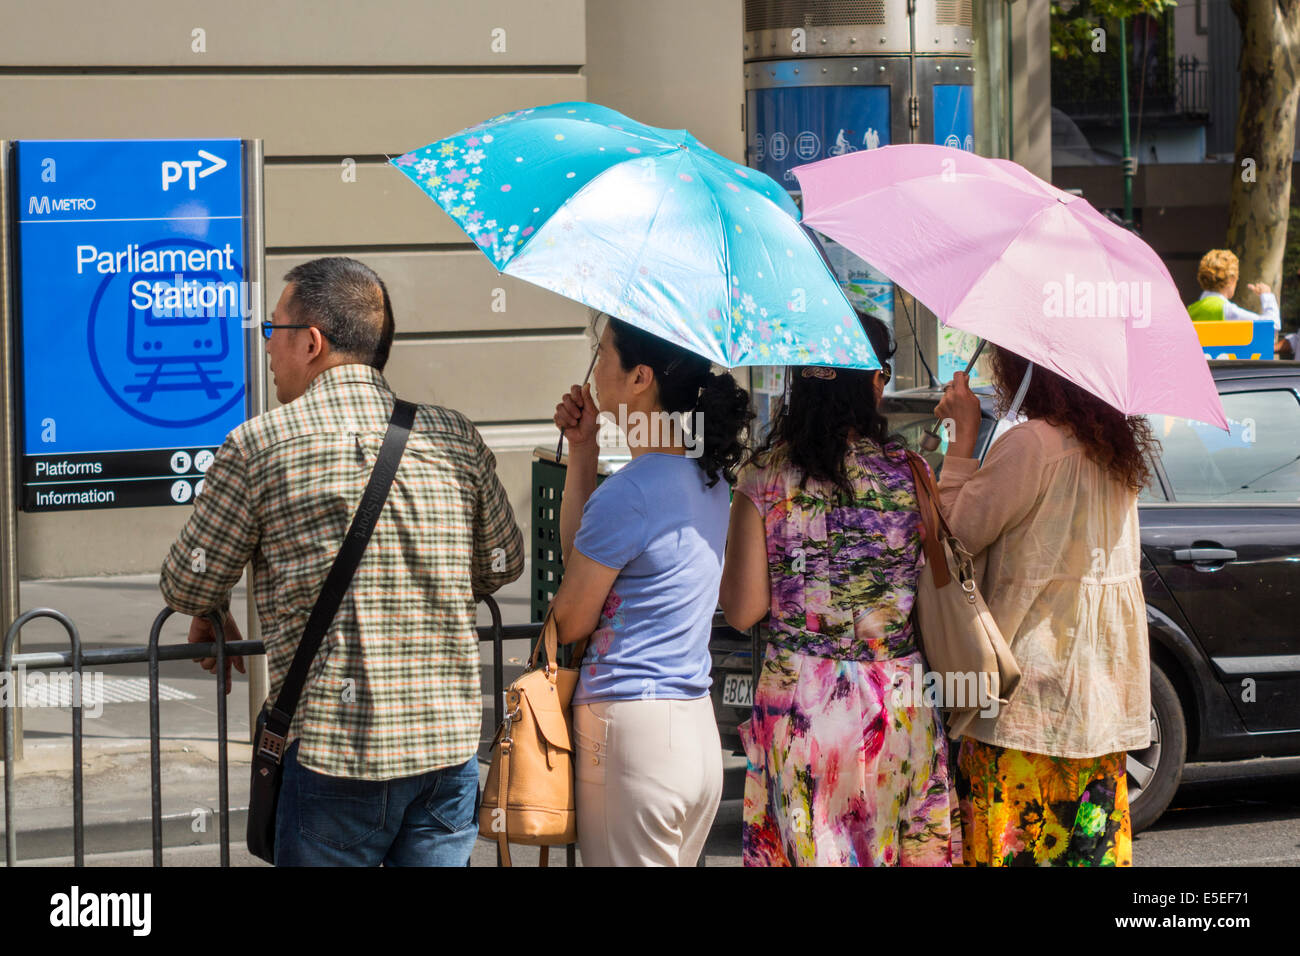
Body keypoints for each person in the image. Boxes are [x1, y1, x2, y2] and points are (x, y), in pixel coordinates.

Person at [159, 256, 524, 866]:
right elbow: (501, 562)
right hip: (446, 753)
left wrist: (211, 605)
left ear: (311, 342)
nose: (268, 348)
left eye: (273, 331)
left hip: (336, 756)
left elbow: (186, 579)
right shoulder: (454, 436)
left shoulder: (260, 445)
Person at [719, 311, 960, 867]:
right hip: (896, 699)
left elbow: (744, 608)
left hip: (801, 704)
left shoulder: (763, 475)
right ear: (870, 382)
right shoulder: (913, 471)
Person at [933, 350, 1155, 866]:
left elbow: (953, 540)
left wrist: (961, 437)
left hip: (1025, 699)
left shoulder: (1031, 444)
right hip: (1097, 701)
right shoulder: (1114, 450)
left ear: (1029, 370)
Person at [548, 312, 752, 866]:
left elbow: (570, 618)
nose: (592, 370)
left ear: (640, 378)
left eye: (602, 352)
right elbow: (588, 563)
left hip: (630, 733)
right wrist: (584, 452)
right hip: (691, 733)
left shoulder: (632, 493)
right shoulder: (705, 479)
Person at [1187, 248, 1280, 330]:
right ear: (1231, 279)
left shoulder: (1190, 310)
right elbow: (1272, 325)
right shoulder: (1228, 310)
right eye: (1237, 279)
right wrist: (1267, 295)